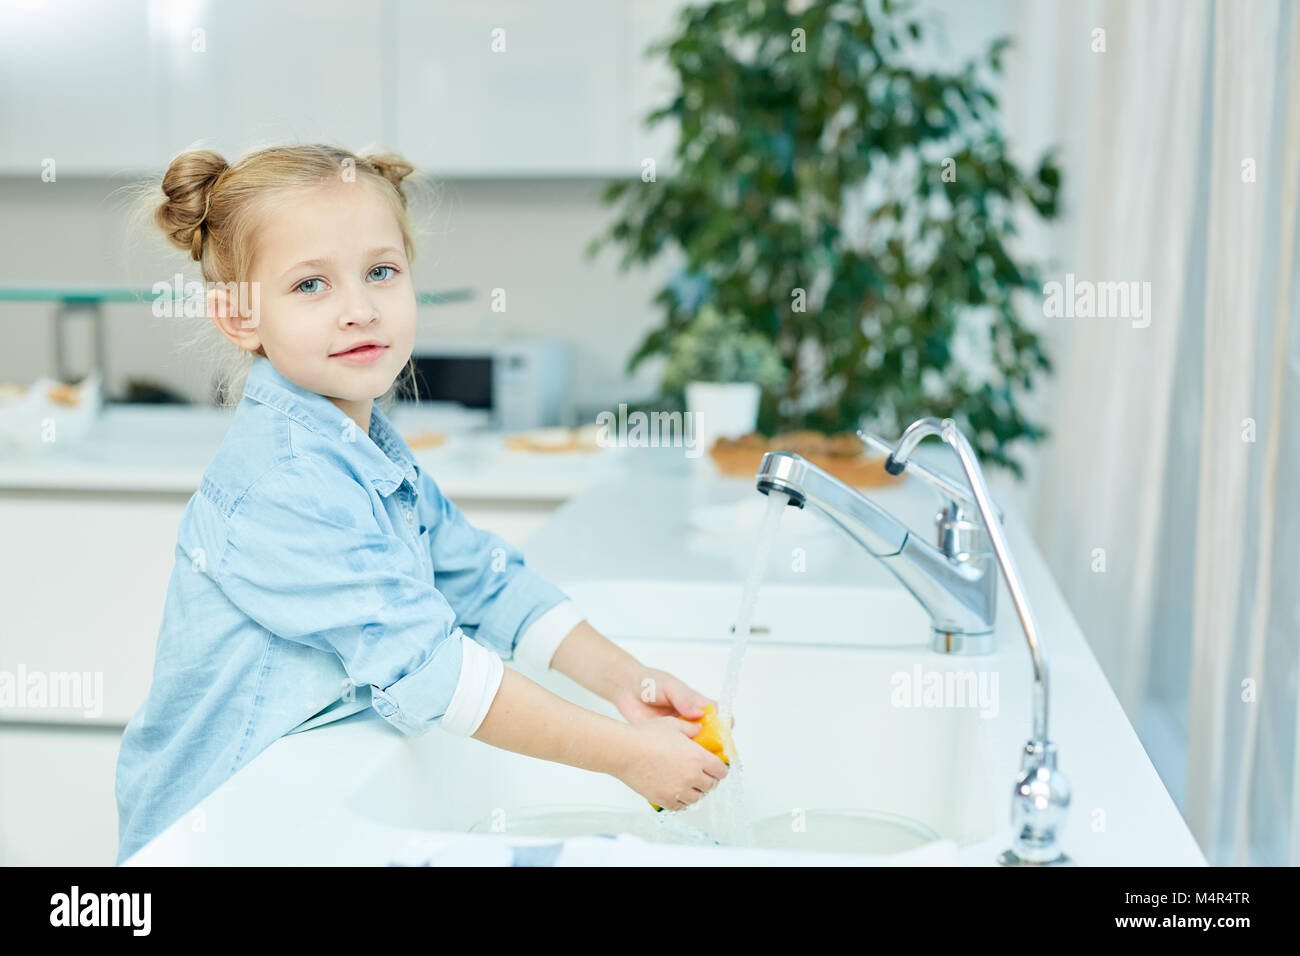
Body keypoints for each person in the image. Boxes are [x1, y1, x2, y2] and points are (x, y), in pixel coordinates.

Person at [114, 144, 728, 864]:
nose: (359, 309)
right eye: (311, 285)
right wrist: (625, 755)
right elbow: (431, 667)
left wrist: (630, 682)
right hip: (212, 831)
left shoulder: (361, 446)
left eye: (381, 272)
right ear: (239, 318)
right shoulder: (283, 484)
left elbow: (485, 580)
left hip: (297, 796)